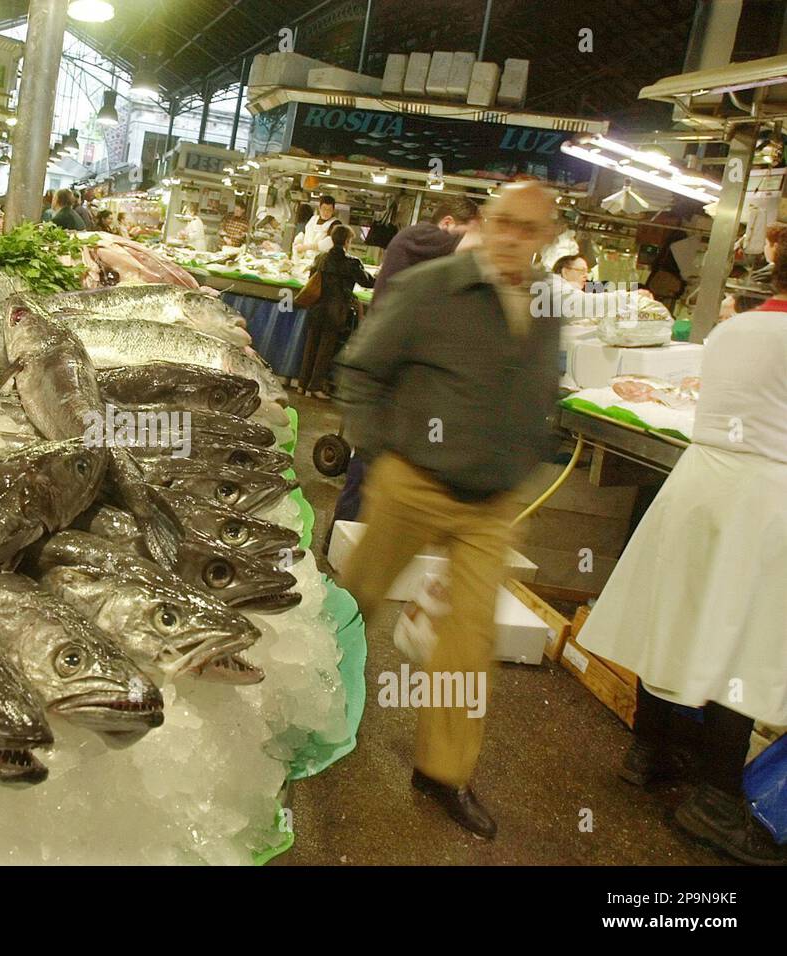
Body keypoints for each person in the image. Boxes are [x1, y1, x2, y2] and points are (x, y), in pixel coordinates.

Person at [335, 181, 562, 839]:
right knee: (356, 601)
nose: (514, 237)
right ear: (486, 222)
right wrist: (378, 449)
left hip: (490, 503)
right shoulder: (432, 286)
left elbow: (536, 387)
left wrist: (519, 466)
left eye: (529, 228)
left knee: (467, 639)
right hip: (413, 480)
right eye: (504, 223)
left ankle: (442, 773)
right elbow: (362, 370)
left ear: (547, 234)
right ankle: (305, 710)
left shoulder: (548, 300)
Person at [576, 259, 787, 866]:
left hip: (702, 488)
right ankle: (717, 802)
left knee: (682, 615)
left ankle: (652, 750)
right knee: (743, 642)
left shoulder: (733, 331)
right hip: (763, 505)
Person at [328, 195, 482, 535]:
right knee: (367, 466)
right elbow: (475, 244)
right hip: (387, 379)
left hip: (408, 381)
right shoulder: (416, 237)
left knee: (385, 471)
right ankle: (339, 544)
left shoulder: (433, 261)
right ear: (446, 225)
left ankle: (353, 542)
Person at [297, 224, 372, 399]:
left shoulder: (320, 258)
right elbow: (367, 282)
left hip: (316, 307)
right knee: (325, 348)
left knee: (311, 346)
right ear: (347, 241)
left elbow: (311, 279)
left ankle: (302, 385)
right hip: (335, 310)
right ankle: (315, 387)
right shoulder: (352, 263)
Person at [369, 196, 480, 303]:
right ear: (447, 223)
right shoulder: (418, 235)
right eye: (469, 232)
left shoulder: (434, 252)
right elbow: (475, 244)